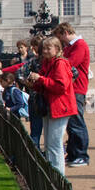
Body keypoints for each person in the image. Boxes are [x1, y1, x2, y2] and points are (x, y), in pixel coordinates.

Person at [27, 35, 77, 175]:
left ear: (57, 49)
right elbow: (45, 84)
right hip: (49, 106)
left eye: (49, 48)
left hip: (60, 107)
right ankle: (52, 172)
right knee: (49, 144)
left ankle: (58, 175)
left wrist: (41, 79)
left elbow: (61, 86)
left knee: (55, 144)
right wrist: (34, 83)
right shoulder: (47, 63)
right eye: (44, 48)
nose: (45, 51)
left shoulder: (60, 63)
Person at [54, 22, 91, 166]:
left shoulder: (80, 45)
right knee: (71, 124)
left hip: (77, 88)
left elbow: (70, 63)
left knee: (77, 123)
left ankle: (82, 155)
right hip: (71, 88)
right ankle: (73, 153)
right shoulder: (72, 46)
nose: (61, 42)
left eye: (61, 38)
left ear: (65, 33)